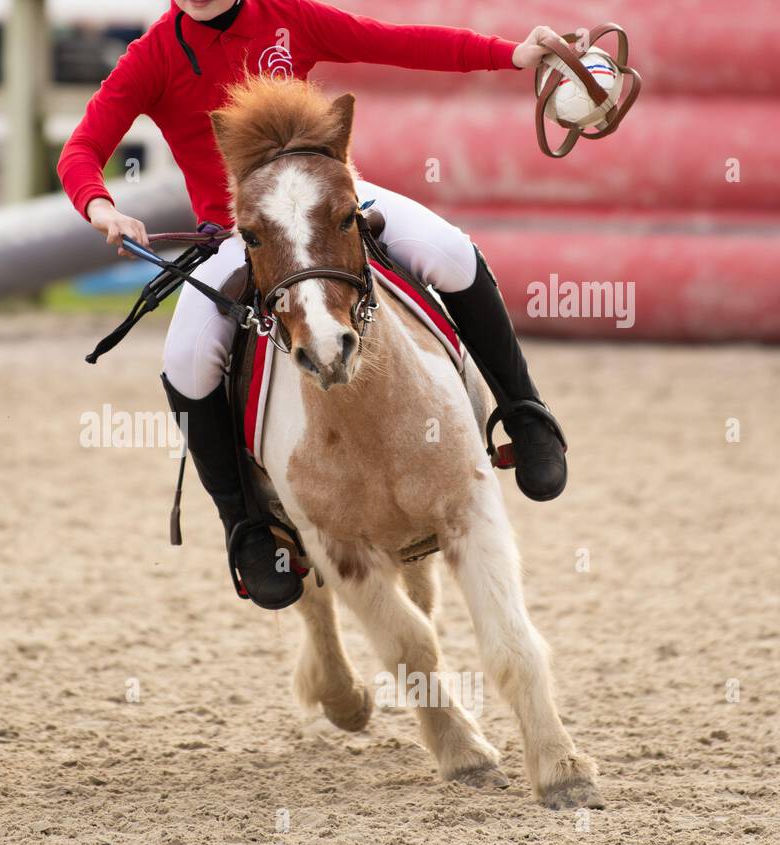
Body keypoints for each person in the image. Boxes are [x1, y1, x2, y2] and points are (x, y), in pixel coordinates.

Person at [59, 0, 583, 609]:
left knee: (452, 252)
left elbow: (401, 43)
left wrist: (511, 54)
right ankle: (248, 525)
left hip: (332, 204)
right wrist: (101, 206)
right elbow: (81, 149)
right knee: (187, 358)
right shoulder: (152, 57)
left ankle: (523, 412)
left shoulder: (289, 13)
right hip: (243, 233)